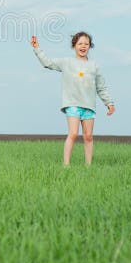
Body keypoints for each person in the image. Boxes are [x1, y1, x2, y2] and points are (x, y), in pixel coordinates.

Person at [31, 32, 115, 166]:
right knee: (73, 133)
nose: (83, 46)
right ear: (74, 45)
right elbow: (47, 63)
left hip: (88, 105)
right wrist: (37, 48)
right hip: (72, 104)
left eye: (86, 44)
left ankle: (88, 167)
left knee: (88, 136)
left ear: (90, 46)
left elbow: (101, 87)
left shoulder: (94, 66)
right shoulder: (66, 62)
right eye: (80, 43)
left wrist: (109, 103)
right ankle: (66, 165)